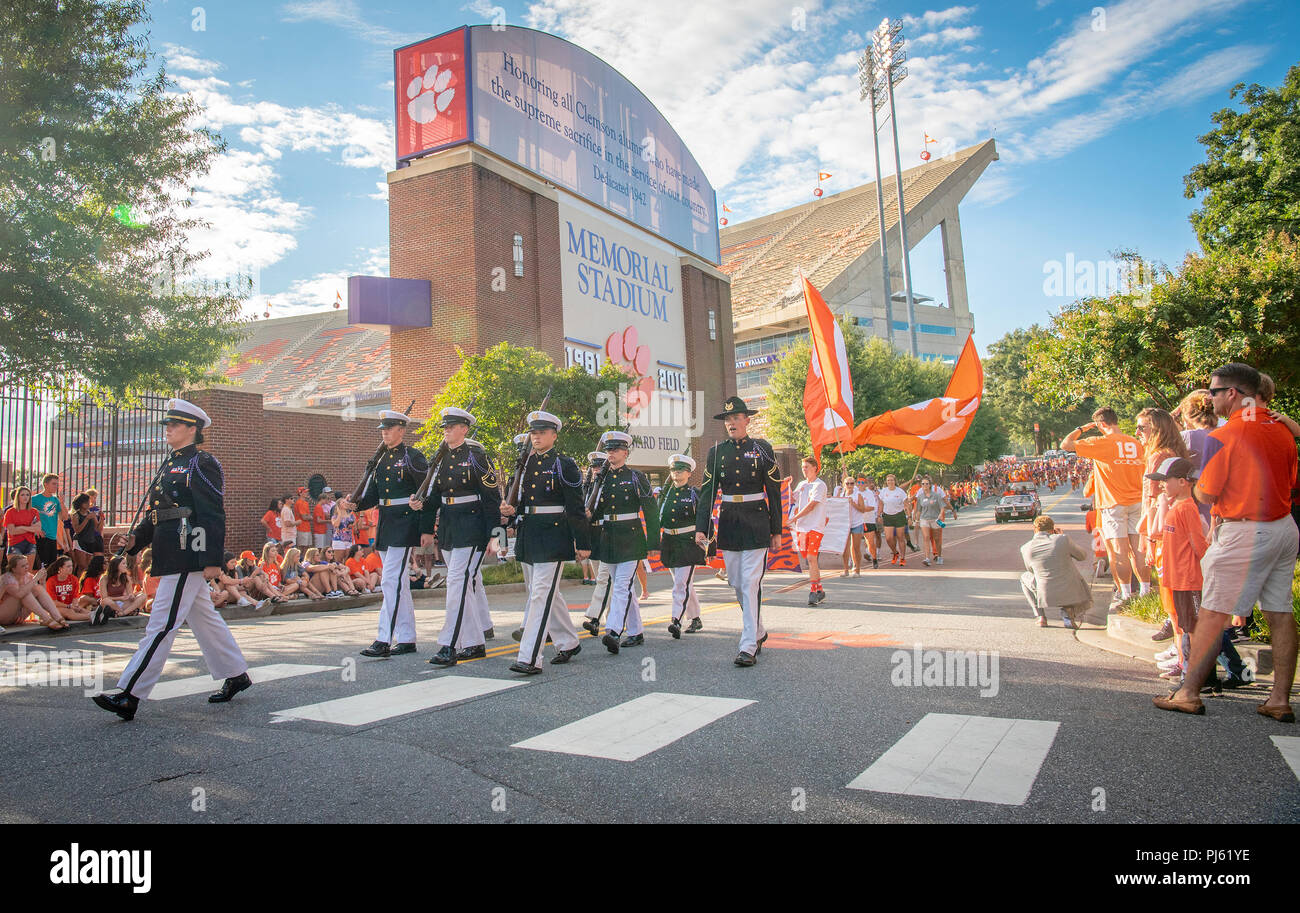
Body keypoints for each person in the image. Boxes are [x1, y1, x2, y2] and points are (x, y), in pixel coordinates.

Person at [92, 398, 252, 721]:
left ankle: (130, 693)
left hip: (188, 552)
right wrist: (136, 539)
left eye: (175, 424)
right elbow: (158, 514)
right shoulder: (170, 463)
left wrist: (212, 560)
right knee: (203, 617)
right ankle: (236, 673)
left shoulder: (202, 463)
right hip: (169, 549)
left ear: (193, 429)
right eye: (167, 424)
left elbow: (212, 515)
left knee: (161, 624)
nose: (168, 429)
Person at [1155, 363, 1298, 721]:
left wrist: (1199, 485)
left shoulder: (1227, 435)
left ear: (1232, 393)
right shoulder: (1282, 429)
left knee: (1212, 613)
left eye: (1214, 391)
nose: (1211, 397)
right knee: (1280, 612)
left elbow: (1206, 492)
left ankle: (1188, 692)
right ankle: (1280, 700)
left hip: (1244, 531)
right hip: (1283, 527)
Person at [498, 409, 590, 674]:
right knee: (547, 593)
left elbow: (575, 506)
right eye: (533, 432)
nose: (536, 437)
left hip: (554, 534)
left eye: (542, 432)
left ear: (554, 435)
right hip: (530, 533)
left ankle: (529, 657)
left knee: (541, 594)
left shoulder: (565, 464)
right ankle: (569, 642)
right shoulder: (523, 464)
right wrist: (510, 512)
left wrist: (582, 542)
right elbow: (520, 503)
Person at [338, 408, 436, 658]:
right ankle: (406, 637)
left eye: (389, 429)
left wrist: (425, 529)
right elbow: (373, 496)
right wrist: (355, 503)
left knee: (391, 580)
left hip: (405, 523)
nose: (385, 433)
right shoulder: (380, 459)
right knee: (398, 582)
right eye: (383, 429)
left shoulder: (413, 457)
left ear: (401, 431)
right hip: (386, 523)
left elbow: (427, 494)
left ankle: (384, 638)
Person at [695, 396, 782, 667]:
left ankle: (748, 646)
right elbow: (708, 492)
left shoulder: (763, 449)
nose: (731, 423)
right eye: (728, 419)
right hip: (730, 521)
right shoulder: (716, 452)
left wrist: (776, 529)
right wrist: (702, 528)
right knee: (736, 582)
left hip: (757, 521)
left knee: (750, 581)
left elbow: (774, 491)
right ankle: (757, 630)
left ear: (747, 420)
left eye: (736, 418)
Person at [410, 406, 501, 666]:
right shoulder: (439, 460)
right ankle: (473, 643)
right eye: (445, 427)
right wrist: (426, 526)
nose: (447, 431)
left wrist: (496, 536)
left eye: (452, 427)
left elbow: (491, 498)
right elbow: (433, 497)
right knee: (461, 585)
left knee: (458, 583)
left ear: (464, 429)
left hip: (472, 527)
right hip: (449, 527)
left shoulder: (477, 457)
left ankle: (449, 644)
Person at [1062, 408, 1150, 607]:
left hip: (1114, 503)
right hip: (1138, 501)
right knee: (1139, 550)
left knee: (1118, 551)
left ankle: (1126, 594)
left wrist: (1082, 428)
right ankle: (1145, 591)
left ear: (1101, 425)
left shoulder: (1101, 442)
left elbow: (1066, 444)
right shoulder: (1136, 443)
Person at [589, 430, 658, 653]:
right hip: (609, 536)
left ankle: (613, 631)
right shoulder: (603, 478)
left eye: (616, 450)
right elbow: (598, 510)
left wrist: (653, 543)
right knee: (624, 587)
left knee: (621, 586)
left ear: (626, 453)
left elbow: (650, 510)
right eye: (609, 450)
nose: (611, 454)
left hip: (630, 536)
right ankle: (636, 632)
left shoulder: (637, 477)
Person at [660, 454, 706, 638]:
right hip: (670, 542)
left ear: (688, 473)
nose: (676, 473)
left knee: (681, 583)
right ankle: (695, 618)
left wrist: (706, 544)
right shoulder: (665, 494)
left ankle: (676, 620)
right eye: (673, 470)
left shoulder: (694, 493)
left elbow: (704, 519)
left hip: (688, 543)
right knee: (684, 583)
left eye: (680, 470)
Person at [1020, 515, 1091, 628]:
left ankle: (1040, 616)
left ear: (1035, 530)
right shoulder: (1062, 539)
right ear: (1053, 529)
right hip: (1070, 590)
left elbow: (1030, 570)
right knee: (1068, 574)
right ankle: (1068, 612)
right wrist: (1061, 536)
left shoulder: (1025, 547)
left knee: (1024, 578)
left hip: (1044, 591)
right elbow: (1082, 556)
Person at [790, 456, 828, 605]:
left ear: (815, 468)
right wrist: (787, 485)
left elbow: (812, 505)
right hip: (802, 527)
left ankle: (813, 591)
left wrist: (795, 518)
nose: (804, 469)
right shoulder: (802, 484)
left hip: (815, 526)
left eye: (806, 467)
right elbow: (792, 499)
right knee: (808, 559)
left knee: (812, 558)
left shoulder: (820, 485)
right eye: (803, 467)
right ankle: (820, 589)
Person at [1, 554, 69, 629]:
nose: (26, 567)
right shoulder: (7, 578)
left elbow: (41, 595)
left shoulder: (28, 576)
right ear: (14, 569)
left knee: (37, 588)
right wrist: (36, 578)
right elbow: (19, 594)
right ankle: (47, 619)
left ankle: (58, 617)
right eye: (23, 566)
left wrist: (42, 582)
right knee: (25, 592)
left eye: (27, 564)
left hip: (18, 614)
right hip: (4, 615)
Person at [30, 474, 68, 570]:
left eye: (57, 484)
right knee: (40, 567)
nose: (56, 486)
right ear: (46, 484)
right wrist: (35, 529)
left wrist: (62, 503)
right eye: (53, 484)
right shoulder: (35, 499)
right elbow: (27, 515)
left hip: (52, 537)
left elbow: (65, 517)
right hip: (40, 537)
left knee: (51, 567)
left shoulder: (56, 500)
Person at [914, 476, 950, 566]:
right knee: (926, 537)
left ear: (930, 485)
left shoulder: (936, 495)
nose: (924, 485)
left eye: (926, 484)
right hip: (924, 519)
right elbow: (918, 510)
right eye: (923, 484)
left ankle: (939, 556)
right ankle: (927, 558)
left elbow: (942, 506)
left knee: (936, 539)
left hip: (935, 519)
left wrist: (941, 514)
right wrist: (917, 520)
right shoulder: (920, 496)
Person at [877, 474, 909, 566]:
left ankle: (902, 558)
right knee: (888, 538)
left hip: (899, 515)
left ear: (895, 481)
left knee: (900, 537)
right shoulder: (883, 491)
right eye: (888, 480)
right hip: (887, 516)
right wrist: (879, 515)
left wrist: (909, 516)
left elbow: (906, 504)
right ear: (886, 482)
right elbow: (881, 504)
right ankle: (895, 552)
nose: (890, 482)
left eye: (892, 480)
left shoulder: (900, 492)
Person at [3, 487, 40, 559]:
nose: (25, 497)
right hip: (15, 544)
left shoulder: (34, 511)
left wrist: (21, 527)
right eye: (22, 495)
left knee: (28, 569)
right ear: (17, 497)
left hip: (30, 543)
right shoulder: (10, 512)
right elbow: (12, 531)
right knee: (16, 569)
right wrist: (30, 528)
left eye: (27, 495)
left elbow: (38, 528)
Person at [842, 475, 867, 576]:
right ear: (844, 485)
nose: (849, 485)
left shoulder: (858, 495)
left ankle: (857, 570)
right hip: (845, 523)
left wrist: (853, 504)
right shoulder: (842, 494)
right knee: (844, 547)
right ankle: (845, 570)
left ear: (854, 485)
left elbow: (862, 509)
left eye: (851, 483)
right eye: (847, 483)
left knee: (856, 547)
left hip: (857, 523)